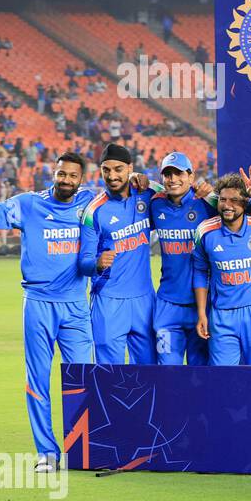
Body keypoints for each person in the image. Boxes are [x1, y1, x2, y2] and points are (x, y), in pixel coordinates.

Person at [0, 153, 94, 470]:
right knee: (37, 379)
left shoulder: (90, 203)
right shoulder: (28, 204)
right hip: (37, 304)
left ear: (81, 180)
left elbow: (126, 194)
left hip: (76, 305)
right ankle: (47, 453)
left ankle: (80, 450)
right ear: (54, 172)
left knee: (82, 378)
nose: (66, 179)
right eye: (61, 173)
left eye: (72, 176)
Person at [77, 144, 159, 365]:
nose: (112, 176)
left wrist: (146, 180)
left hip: (144, 300)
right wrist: (97, 264)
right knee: (108, 375)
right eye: (106, 170)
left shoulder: (146, 195)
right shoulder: (94, 211)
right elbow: (83, 263)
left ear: (130, 168)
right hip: (108, 302)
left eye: (118, 169)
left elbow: (173, 194)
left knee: (149, 374)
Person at [192, 171, 251, 365]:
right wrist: (201, 313)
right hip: (222, 317)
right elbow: (200, 271)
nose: (227, 205)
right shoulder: (205, 232)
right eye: (223, 199)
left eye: (234, 200)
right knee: (222, 381)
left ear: (245, 202)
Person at [148, 151, 224, 364]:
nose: (173, 179)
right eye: (168, 174)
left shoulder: (207, 204)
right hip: (167, 307)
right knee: (167, 372)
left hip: (201, 306)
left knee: (199, 377)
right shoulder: (156, 203)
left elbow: (245, 212)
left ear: (191, 177)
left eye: (179, 173)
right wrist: (138, 177)